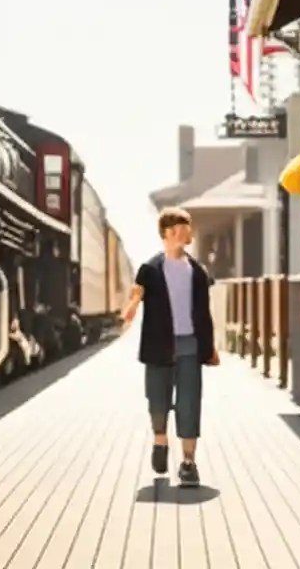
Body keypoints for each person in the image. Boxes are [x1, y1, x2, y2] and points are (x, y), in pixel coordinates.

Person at [122, 207, 220, 488]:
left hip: (190, 344)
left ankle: (188, 463)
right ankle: (160, 440)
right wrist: (130, 309)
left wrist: (210, 347)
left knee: (190, 404)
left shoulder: (198, 271)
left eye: (187, 228)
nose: (186, 233)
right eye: (180, 228)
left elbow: (204, 312)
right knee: (157, 400)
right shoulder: (151, 269)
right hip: (158, 345)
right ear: (167, 233)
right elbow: (137, 292)